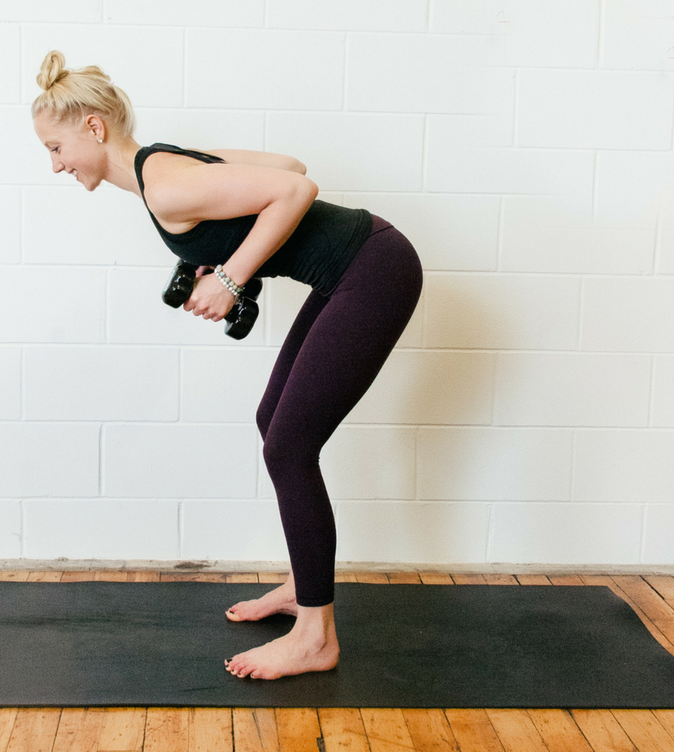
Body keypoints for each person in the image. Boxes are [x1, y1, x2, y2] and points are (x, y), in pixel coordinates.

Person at [28, 50, 422, 680]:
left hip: (374, 271)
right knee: (276, 421)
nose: (55, 164)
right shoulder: (164, 162)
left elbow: (297, 188)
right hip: (355, 267)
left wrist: (233, 279)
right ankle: (305, 582)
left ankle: (316, 637)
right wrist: (228, 251)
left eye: (55, 147)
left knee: (289, 447)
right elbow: (287, 168)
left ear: (93, 129)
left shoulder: (166, 183)